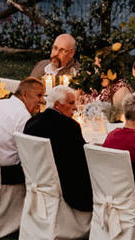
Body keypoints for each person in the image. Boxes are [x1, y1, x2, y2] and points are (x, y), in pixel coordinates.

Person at [22, 83, 93, 212]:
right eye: (71, 103)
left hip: (37, 179)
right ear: (57, 105)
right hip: (65, 186)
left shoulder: (32, 122)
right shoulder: (70, 127)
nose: (75, 108)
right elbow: (82, 160)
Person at [0, 76, 45, 185]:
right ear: (25, 95)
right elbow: (28, 154)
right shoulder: (22, 115)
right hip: (7, 173)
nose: (43, 101)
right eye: (39, 95)